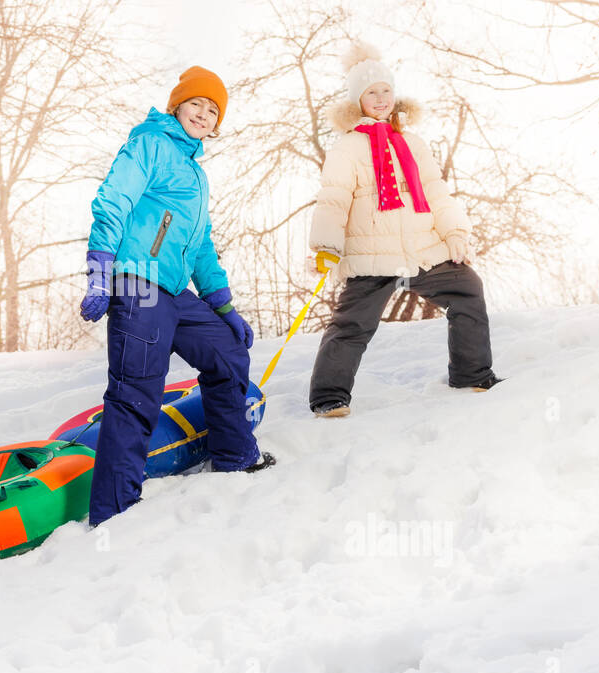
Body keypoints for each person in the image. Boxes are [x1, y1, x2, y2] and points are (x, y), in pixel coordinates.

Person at [81, 66, 275, 527]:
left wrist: (222, 304)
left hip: (174, 289)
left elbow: (202, 243)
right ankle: (114, 509)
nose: (204, 114)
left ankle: (234, 456)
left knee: (227, 354)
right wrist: (99, 268)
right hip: (137, 283)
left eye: (213, 110)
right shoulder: (150, 143)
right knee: (136, 391)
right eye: (196, 104)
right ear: (177, 106)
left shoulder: (195, 173)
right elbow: (114, 198)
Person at [308, 42, 501, 418]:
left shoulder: (413, 142)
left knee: (467, 290)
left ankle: (472, 373)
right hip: (372, 254)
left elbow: (435, 191)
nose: (380, 99)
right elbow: (333, 198)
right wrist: (327, 244)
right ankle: (329, 396)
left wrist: (454, 232)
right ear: (357, 100)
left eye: (385, 91)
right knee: (352, 325)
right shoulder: (348, 147)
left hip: (422, 248)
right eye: (371, 92)